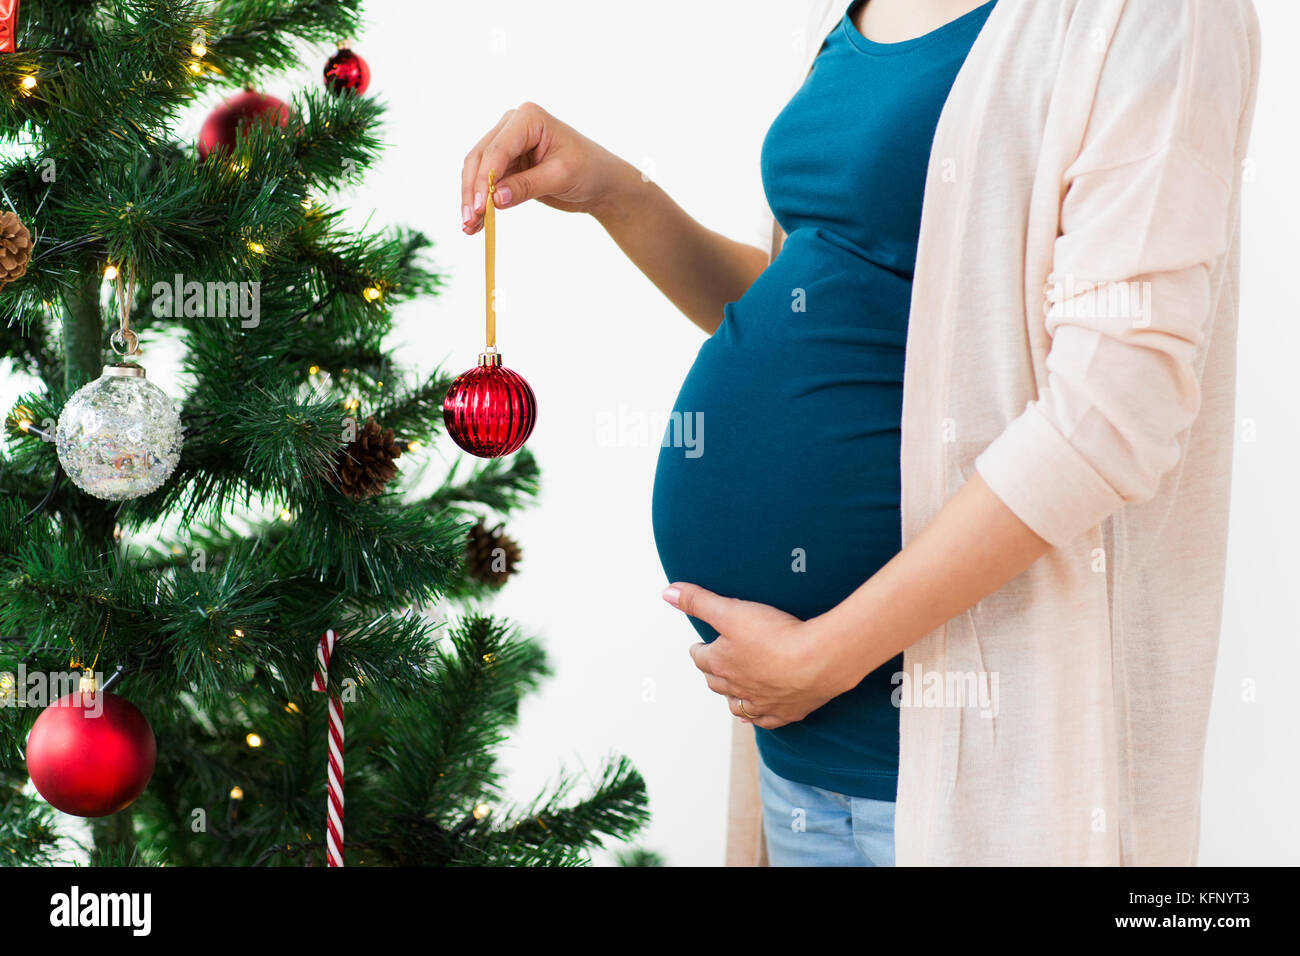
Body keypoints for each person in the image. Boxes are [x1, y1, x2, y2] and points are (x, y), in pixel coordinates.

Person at [459, 0, 1260, 866]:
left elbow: (1111, 413)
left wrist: (824, 657)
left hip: (965, 773)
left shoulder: (1154, 14)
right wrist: (620, 194)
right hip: (800, 764)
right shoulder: (848, 11)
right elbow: (817, 307)